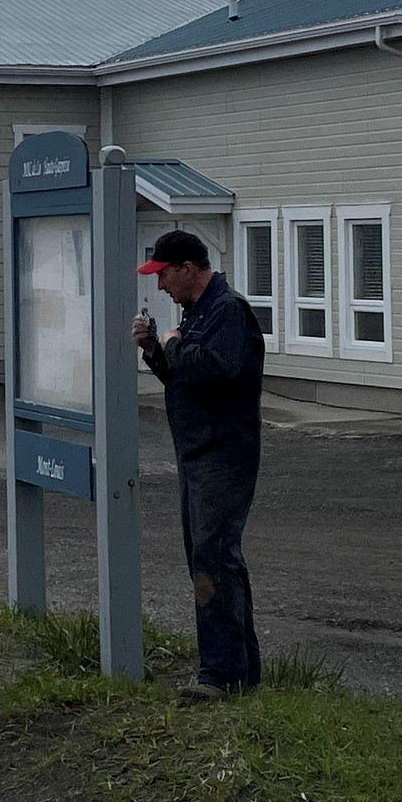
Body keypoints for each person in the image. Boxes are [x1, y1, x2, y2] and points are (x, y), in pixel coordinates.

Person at [131, 226, 264, 698]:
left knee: (213, 558)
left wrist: (172, 345)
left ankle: (221, 675)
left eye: (164, 275)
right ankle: (240, 670)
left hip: (223, 454)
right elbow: (188, 379)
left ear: (188, 269)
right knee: (210, 558)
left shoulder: (227, 311)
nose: (160, 285)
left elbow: (220, 369)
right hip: (197, 453)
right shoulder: (196, 312)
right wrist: (155, 352)